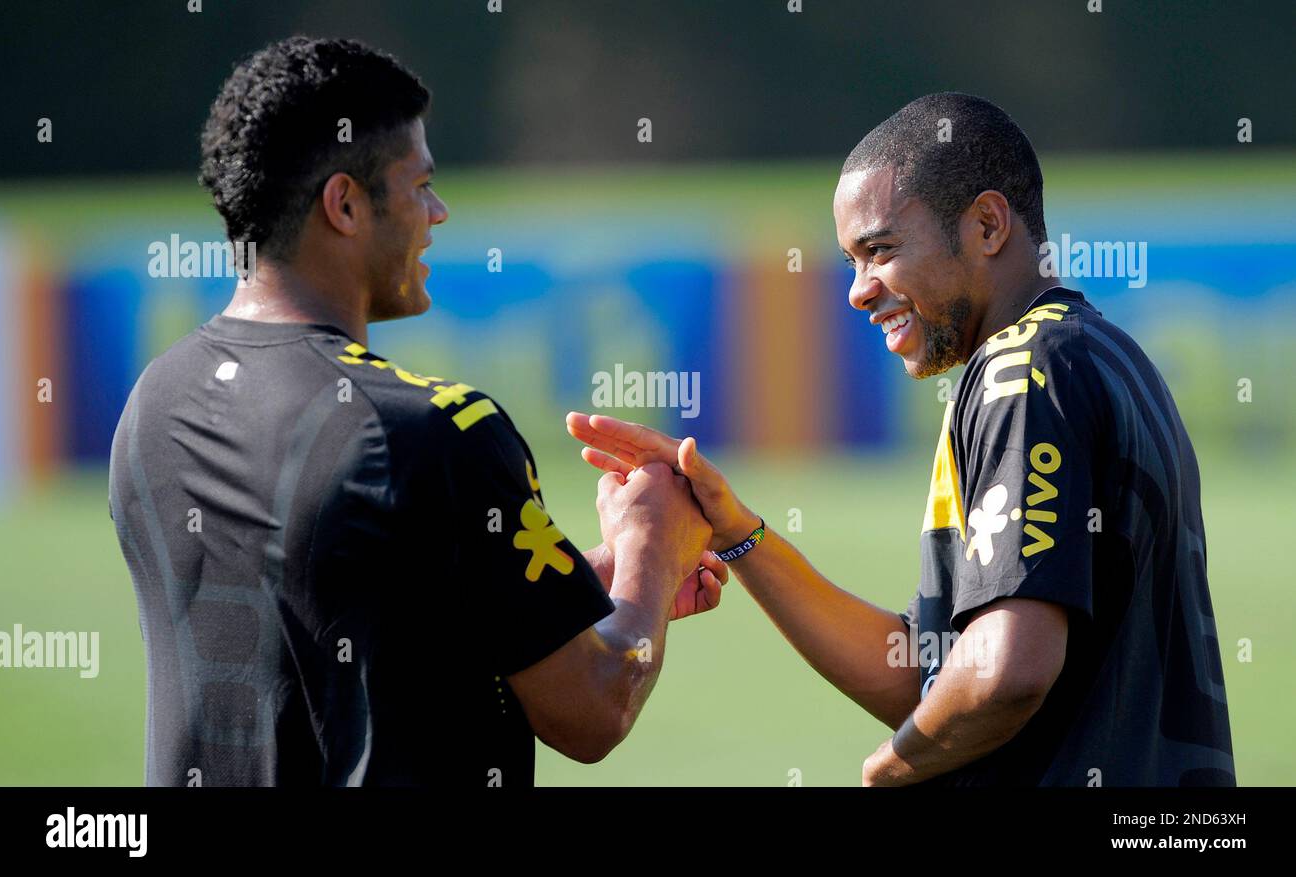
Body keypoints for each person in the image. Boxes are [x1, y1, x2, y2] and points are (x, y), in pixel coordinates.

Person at [107, 36, 724, 788]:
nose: (438, 211)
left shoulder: (155, 399)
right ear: (344, 204)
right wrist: (652, 551)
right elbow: (594, 709)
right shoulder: (437, 429)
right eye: (421, 184)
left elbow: (324, 612)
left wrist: (571, 588)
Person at [569, 92, 1235, 786]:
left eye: (880, 250)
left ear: (986, 224)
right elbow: (932, 673)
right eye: (851, 261)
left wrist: (892, 768)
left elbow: (1008, 669)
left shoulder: (1022, 369)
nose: (857, 290)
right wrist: (736, 532)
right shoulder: (1098, 355)